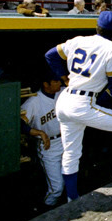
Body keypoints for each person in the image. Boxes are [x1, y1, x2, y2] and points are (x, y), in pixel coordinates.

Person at [44, 11, 112, 202]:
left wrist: (63, 76)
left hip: (64, 101)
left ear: (97, 26)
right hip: (83, 103)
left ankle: (72, 198)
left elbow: (50, 55)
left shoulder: (78, 39)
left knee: (71, 152)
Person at [21, 73, 65, 207]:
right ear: (46, 84)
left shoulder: (62, 92)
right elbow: (18, 122)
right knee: (57, 188)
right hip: (48, 146)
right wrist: (38, 132)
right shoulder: (33, 101)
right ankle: (45, 211)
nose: (60, 83)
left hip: (66, 140)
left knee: (70, 179)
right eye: (55, 81)